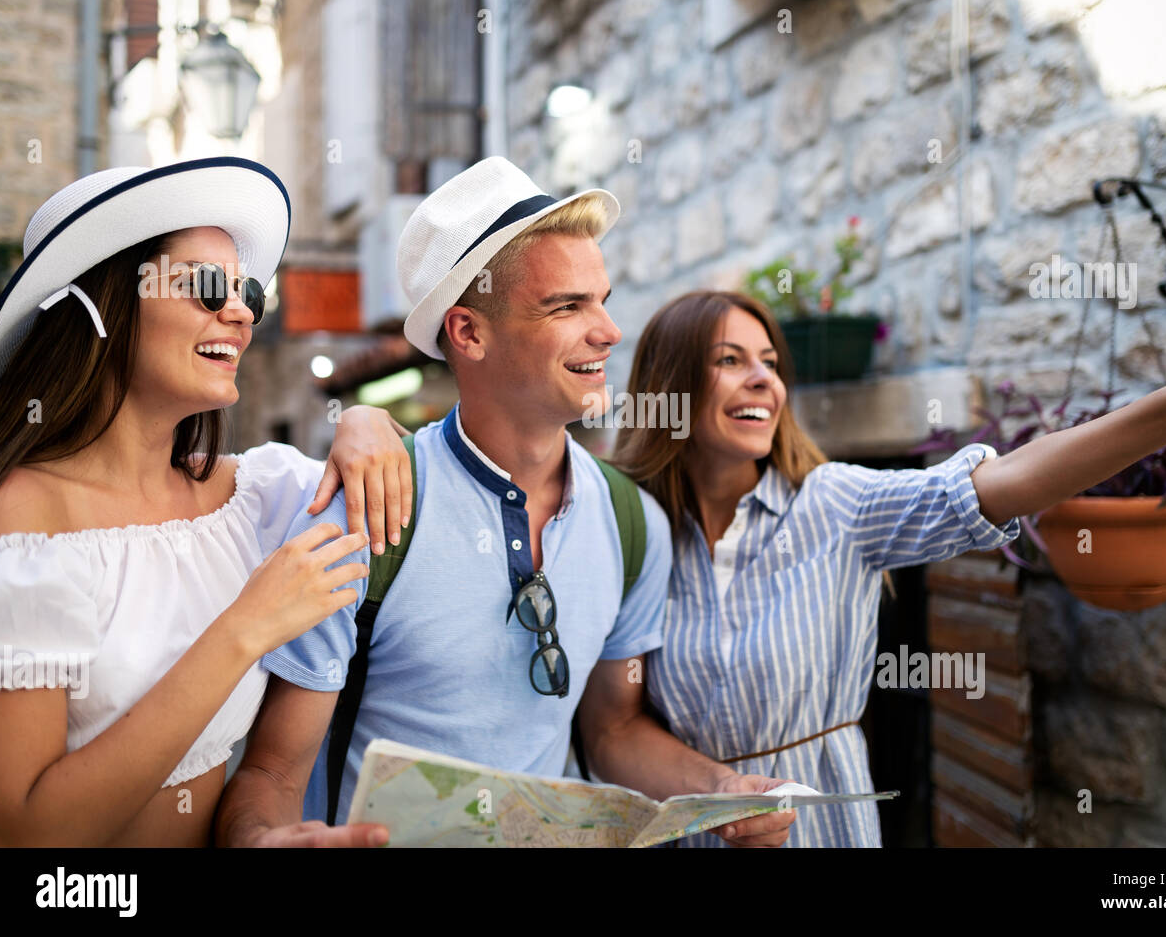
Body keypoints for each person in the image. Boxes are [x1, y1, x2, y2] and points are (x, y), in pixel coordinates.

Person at [215, 157, 796, 848]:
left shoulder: (633, 522)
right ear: (469, 333)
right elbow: (273, 774)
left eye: (602, 300)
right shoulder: (366, 512)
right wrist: (262, 843)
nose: (608, 331)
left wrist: (720, 789)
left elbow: (612, 730)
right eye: (568, 307)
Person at [612, 289, 1166, 847]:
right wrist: (721, 790)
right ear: (669, 386)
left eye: (769, 361)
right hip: (688, 833)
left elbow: (1011, 480)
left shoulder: (836, 502)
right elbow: (614, 728)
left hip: (819, 832)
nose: (764, 378)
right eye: (730, 360)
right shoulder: (632, 534)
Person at [0, 158, 411, 846]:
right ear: (104, 306)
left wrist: (362, 421)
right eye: (208, 288)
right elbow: (25, 834)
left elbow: (404, 483)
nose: (241, 311)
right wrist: (243, 628)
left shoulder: (254, 497)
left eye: (248, 294)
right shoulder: (26, 521)